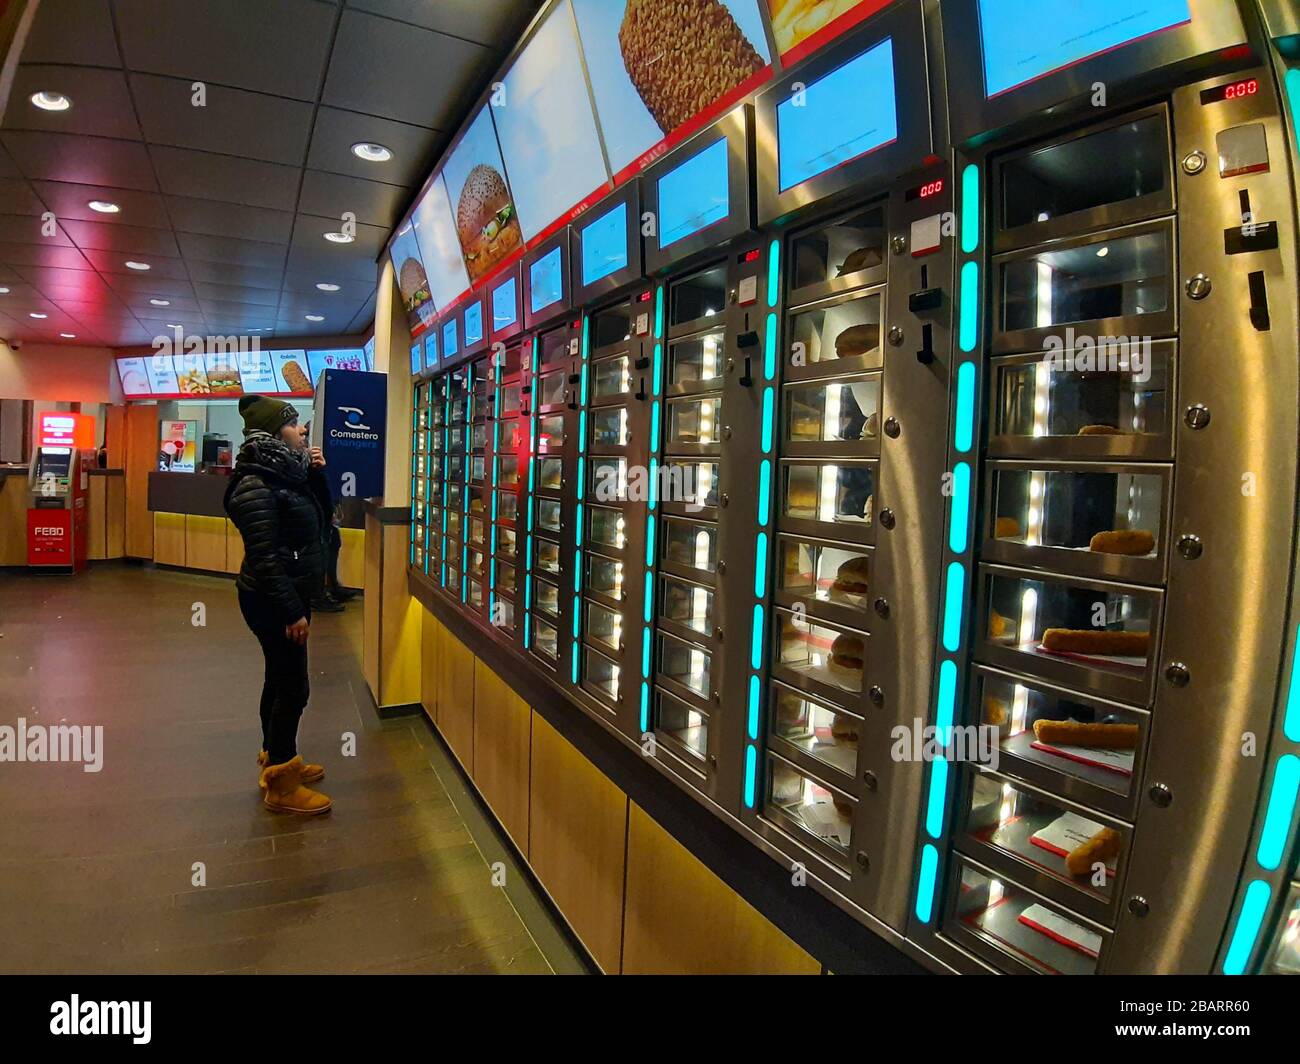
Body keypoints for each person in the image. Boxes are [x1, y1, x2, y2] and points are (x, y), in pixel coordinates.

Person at [224, 395, 332, 815]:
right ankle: (282, 787)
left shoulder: (286, 474)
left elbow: (322, 521)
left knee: (279, 677)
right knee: (293, 686)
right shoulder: (257, 483)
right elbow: (265, 557)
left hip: (284, 594)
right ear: (273, 434)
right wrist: (291, 610)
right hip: (271, 599)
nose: (303, 430)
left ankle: (276, 758)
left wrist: (318, 476)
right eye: (294, 424)